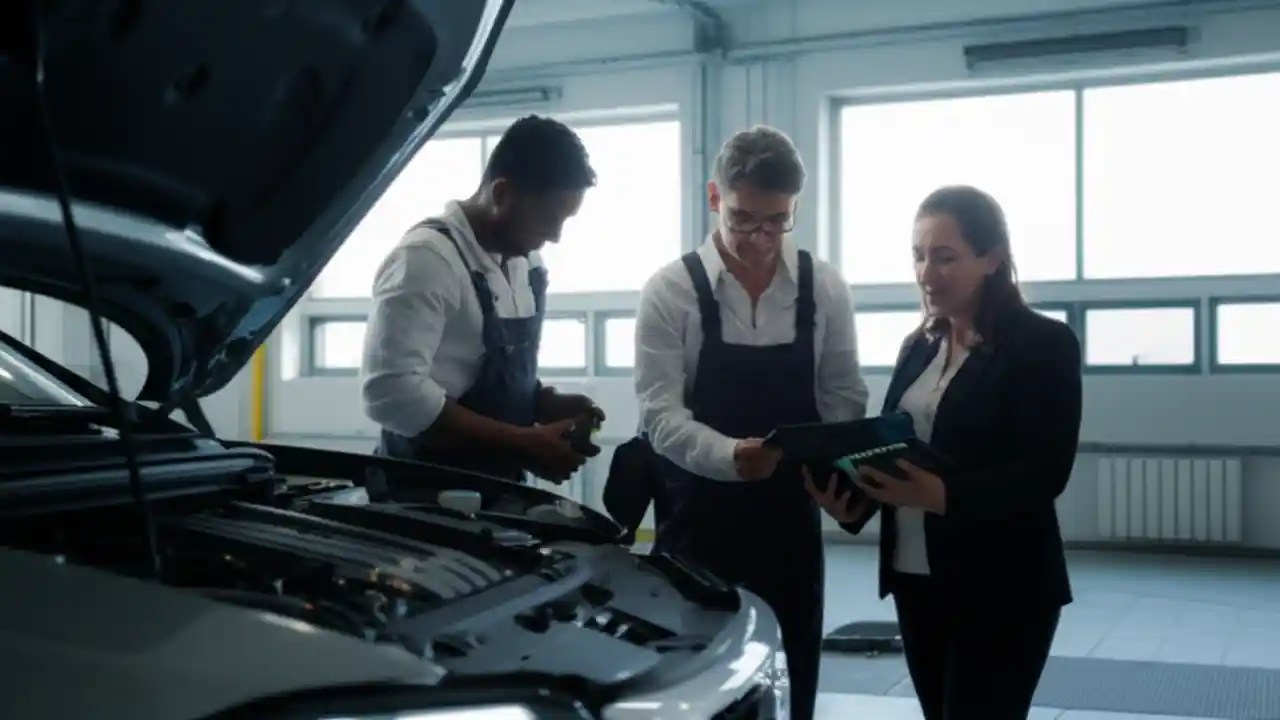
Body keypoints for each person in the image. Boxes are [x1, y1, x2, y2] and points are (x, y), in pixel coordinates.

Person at [809, 185, 1083, 720]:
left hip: (1004, 585)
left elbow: (1045, 471)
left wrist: (945, 493)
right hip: (916, 578)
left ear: (992, 258)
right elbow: (895, 450)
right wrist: (854, 504)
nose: (926, 272)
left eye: (945, 256)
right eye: (919, 255)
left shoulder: (1043, 343)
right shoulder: (919, 346)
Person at [635, 125, 869, 720]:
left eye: (777, 221)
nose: (761, 238)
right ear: (715, 197)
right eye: (743, 219)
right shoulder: (671, 291)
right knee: (699, 684)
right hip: (696, 524)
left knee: (792, 677)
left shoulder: (825, 288)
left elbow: (844, 393)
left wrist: (826, 460)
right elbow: (660, 416)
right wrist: (731, 457)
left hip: (790, 523)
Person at [362, 115, 604, 484]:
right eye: (547, 218)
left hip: (497, 485)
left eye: (565, 220)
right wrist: (523, 443)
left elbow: (477, 371)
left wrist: (542, 402)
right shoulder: (426, 260)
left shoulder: (527, 264)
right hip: (421, 493)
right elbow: (391, 394)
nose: (555, 236)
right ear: (501, 193)